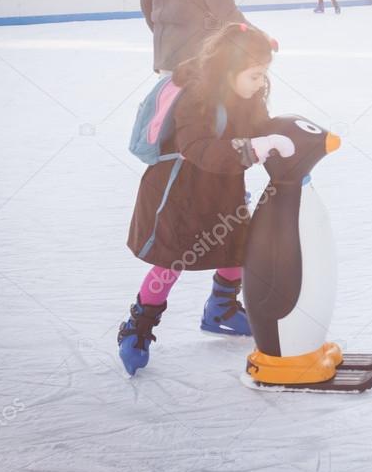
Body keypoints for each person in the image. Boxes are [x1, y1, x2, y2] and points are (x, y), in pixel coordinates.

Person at [118, 23, 293, 375]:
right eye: (255, 75)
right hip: (179, 193)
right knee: (171, 262)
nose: (261, 83)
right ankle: (138, 326)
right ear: (229, 71)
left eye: (264, 75)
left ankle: (222, 309)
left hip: (222, 187)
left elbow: (258, 128)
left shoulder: (247, 95)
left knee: (235, 247)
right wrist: (252, 149)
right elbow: (197, 149)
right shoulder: (196, 96)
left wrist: (286, 135)